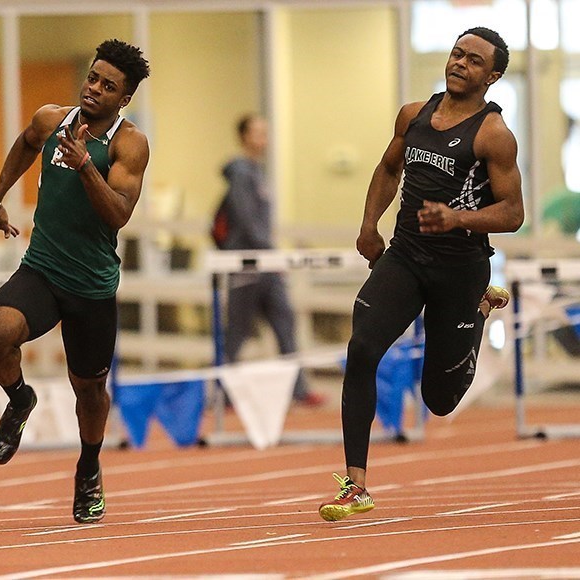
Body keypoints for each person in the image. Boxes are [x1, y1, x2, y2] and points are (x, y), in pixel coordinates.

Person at [318, 27, 524, 522]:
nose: (459, 63)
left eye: (474, 61)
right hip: (406, 257)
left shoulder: (493, 136)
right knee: (362, 348)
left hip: (460, 270)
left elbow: (513, 213)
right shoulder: (414, 115)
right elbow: (389, 169)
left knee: (439, 400)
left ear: (492, 76)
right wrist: (369, 224)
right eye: (457, 53)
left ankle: (480, 310)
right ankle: (357, 484)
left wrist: (457, 218)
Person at [0, 39, 150, 524]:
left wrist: (84, 168)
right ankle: (20, 398)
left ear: (124, 98)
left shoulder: (127, 143)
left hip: (91, 287)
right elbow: (26, 143)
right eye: (93, 78)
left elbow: (118, 213)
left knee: (89, 391)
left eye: (108, 86)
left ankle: (89, 468)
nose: (95, 89)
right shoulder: (52, 119)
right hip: (42, 269)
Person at [219, 114, 324, 407]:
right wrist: (269, 253)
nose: (264, 138)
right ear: (243, 137)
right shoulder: (240, 173)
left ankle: (299, 388)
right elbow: (246, 220)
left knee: (284, 320)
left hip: (266, 264)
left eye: (266, 132)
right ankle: (221, 390)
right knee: (237, 329)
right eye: (258, 132)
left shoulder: (258, 172)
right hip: (248, 264)